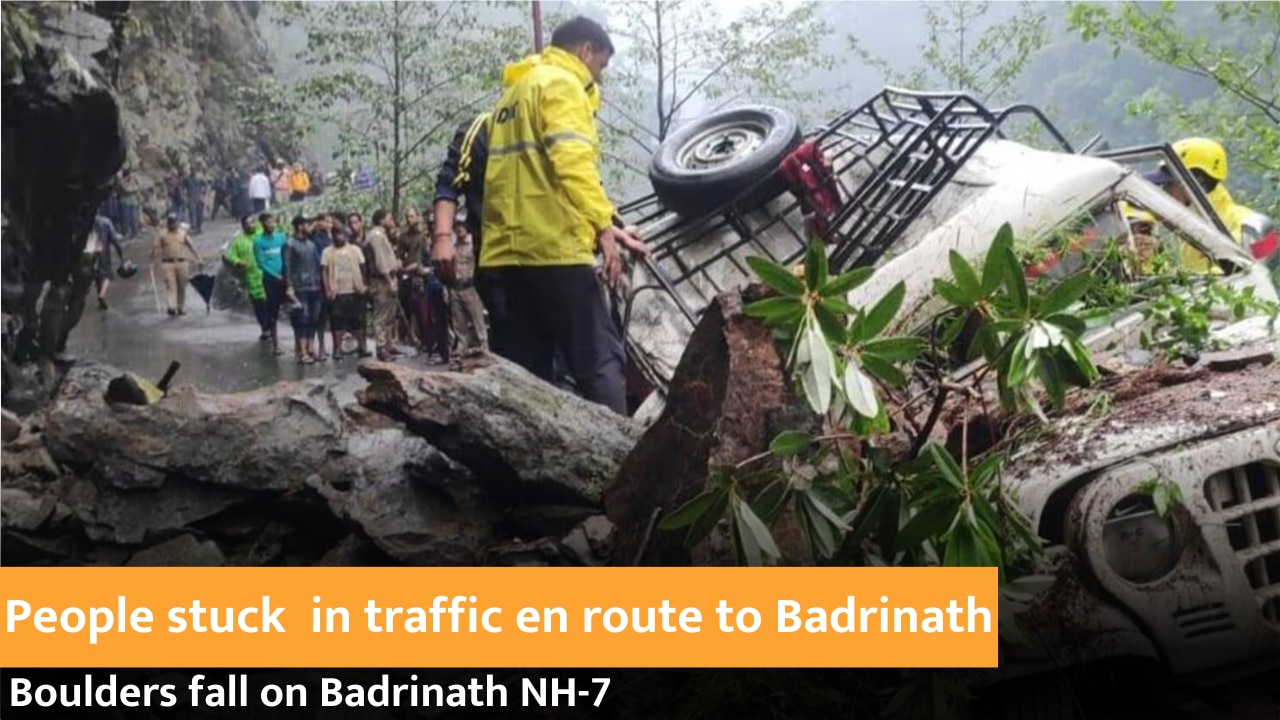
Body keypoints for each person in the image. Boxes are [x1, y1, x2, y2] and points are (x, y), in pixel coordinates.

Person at [477, 16, 649, 415]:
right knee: (600, 362)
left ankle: (526, 471)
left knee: (528, 377)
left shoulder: (512, 95)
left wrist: (613, 223)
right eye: (601, 66)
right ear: (585, 50)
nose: (599, 78)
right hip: (555, 252)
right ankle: (618, 464)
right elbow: (572, 166)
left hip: (508, 256)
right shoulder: (562, 84)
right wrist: (603, 229)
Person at [1145, 137, 1275, 273]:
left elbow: (1250, 280)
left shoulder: (1252, 227)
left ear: (1197, 183)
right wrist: (1152, 260)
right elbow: (1192, 283)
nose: (1164, 191)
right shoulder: (1192, 231)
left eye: (1169, 183)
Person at [321, 218, 367, 361]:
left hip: (354, 290)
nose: (338, 237)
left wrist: (364, 284)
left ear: (345, 235)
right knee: (337, 322)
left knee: (358, 320)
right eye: (336, 234)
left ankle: (362, 347)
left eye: (341, 234)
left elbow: (363, 267)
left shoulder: (354, 250)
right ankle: (337, 349)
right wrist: (327, 288)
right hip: (337, 291)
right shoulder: (327, 252)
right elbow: (324, 271)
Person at [284, 215, 324, 364]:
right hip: (300, 286)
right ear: (300, 226)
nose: (310, 227)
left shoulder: (311, 245)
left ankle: (310, 347)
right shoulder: (290, 244)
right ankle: (302, 351)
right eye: (307, 224)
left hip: (314, 285)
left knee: (314, 318)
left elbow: (317, 264)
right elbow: (286, 267)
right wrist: (289, 286)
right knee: (302, 318)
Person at [224, 214, 270, 341]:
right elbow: (230, 255)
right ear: (243, 226)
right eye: (247, 224)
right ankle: (265, 329)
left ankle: (270, 328)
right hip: (251, 278)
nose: (250, 225)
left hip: (268, 276)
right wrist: (237, 262)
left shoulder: (263, 234)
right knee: (258, 306)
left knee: (270, 305)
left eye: (252, 222)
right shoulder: (239, 241)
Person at [449, 218, 488, 361]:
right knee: (459, 323)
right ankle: (462, 353)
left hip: (471, 287)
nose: (459, 229)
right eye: (456, 226)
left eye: (461, 226)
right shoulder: (453, 246)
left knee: (478, 321)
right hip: (455, 286)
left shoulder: (473, 244)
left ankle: (485, 351)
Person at [149, 213, 203, 316]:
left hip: (182, 262)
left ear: (177, 223)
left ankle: (181, 307)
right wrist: (152, 262)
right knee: (171, 285)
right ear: (168, 223)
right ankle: (171, 306)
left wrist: (199, 259)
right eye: (170, 223)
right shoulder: (162, 234)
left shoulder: (183, 233)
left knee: (182, 286)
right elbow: (154, 248)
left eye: (174, 223)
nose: (172, 225)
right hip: (168, 263)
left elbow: (191, 246)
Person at [366, 209, 402, 361]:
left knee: (390, 315)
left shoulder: (382, 236)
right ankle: (381, 347)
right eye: (389, 218)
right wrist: (390, 281)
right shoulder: (376, 237)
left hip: (389, 277)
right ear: (381, 220)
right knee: (381, 315)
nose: (392, 220)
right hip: (382, 281)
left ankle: (388, 344)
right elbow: (381, 262)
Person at [253, 212, 288, 355]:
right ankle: (276, 345)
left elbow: (287, 256)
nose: (271, 225)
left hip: (285, 279)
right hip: (270, 281)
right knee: (273, 312)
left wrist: (286, 275)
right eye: (268, 222)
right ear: (262, 224)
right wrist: (276, 276)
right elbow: (261, 264)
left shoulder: (281, 238)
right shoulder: (259, 242)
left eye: (273, 222)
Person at [397, 208, 432, 350]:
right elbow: (399, 254)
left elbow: (427, 255)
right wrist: (400, 263)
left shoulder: (424, 235)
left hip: (422, 275)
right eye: (407, 217)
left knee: (425, 310)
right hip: (407, 275)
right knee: (411, 310)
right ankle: (413, 338)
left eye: (411, 216)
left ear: (417, 217)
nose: (409, 219)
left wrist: (419, 266)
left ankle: (427, 341)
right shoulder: (403, 237)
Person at [308, 214, 334, 361]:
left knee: (326, 316)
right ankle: (317, 347)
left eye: (330, 222)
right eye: (326, 221)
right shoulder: (316, 239)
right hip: (320, 280)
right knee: (319, 316)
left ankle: (323, 347)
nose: (329, 224)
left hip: (332, 279)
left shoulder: (331, 237)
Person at [91, 213, 125, 310]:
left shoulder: (87, 222)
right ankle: (102, 295)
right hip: (103, 250)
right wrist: (121, 255)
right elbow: (114, 239)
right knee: (107, 275)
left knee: (97, 274)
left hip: (90, 249)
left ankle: (100, 297)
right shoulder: (106, 222)